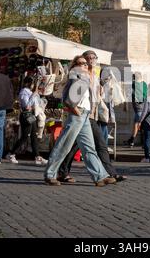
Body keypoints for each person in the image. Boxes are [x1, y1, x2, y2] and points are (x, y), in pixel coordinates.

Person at [43, 56, 116, 187]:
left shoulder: (84, 78)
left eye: (85, 64)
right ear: (75, 65)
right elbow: (66, 97)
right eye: (81, 63)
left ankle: (100, 176)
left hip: (85, 114)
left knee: (89, 147)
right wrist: (74, 109)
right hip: (77, 114)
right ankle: (50, 174)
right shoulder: (74, 77)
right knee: (64, 145)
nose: (84, 66)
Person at [56, 51, 127, 183]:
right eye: (88, 58)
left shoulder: (94, 75)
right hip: (80, 114)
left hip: (91, 115)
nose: (91, 60)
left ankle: (110, 173)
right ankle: (59, 172)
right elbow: (70, 94)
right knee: (75, 146)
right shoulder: (79, 74)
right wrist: (75, 109)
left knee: (97, 145)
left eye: (94, 58)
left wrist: (100, 90)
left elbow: (95, 96)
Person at [9, 76, 48, 166]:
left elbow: (37, 104)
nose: (33, 85)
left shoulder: (31, 92)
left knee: (34, 136)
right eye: (33, 83)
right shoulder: (24, 92)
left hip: (32, 115)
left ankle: (37, 156)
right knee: (25, 136)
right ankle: (11, 153)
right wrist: (34, 95)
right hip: (26, 115)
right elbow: (27, 106)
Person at [126, 72, 147, 147]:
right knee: (139, 124)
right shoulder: (144, 84)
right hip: (143, 107)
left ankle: (133, 140)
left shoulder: (134, 84)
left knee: (137, 124)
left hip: (139, 108)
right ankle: (133, 140)